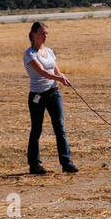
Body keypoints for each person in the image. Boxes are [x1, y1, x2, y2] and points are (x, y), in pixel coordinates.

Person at [23, 21, 78, 174]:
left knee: (60, 127)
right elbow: (41, 72)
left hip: (53, 92)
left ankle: (67, 163)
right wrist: (58, 78)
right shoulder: (29, 54)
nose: (45, 36)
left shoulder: (50, 51)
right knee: (37, 129)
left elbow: (55, 70)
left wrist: (61, 76)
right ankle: (35, 165)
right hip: (37, 95)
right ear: (34, 34)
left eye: (46, 33)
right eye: (42, 33)